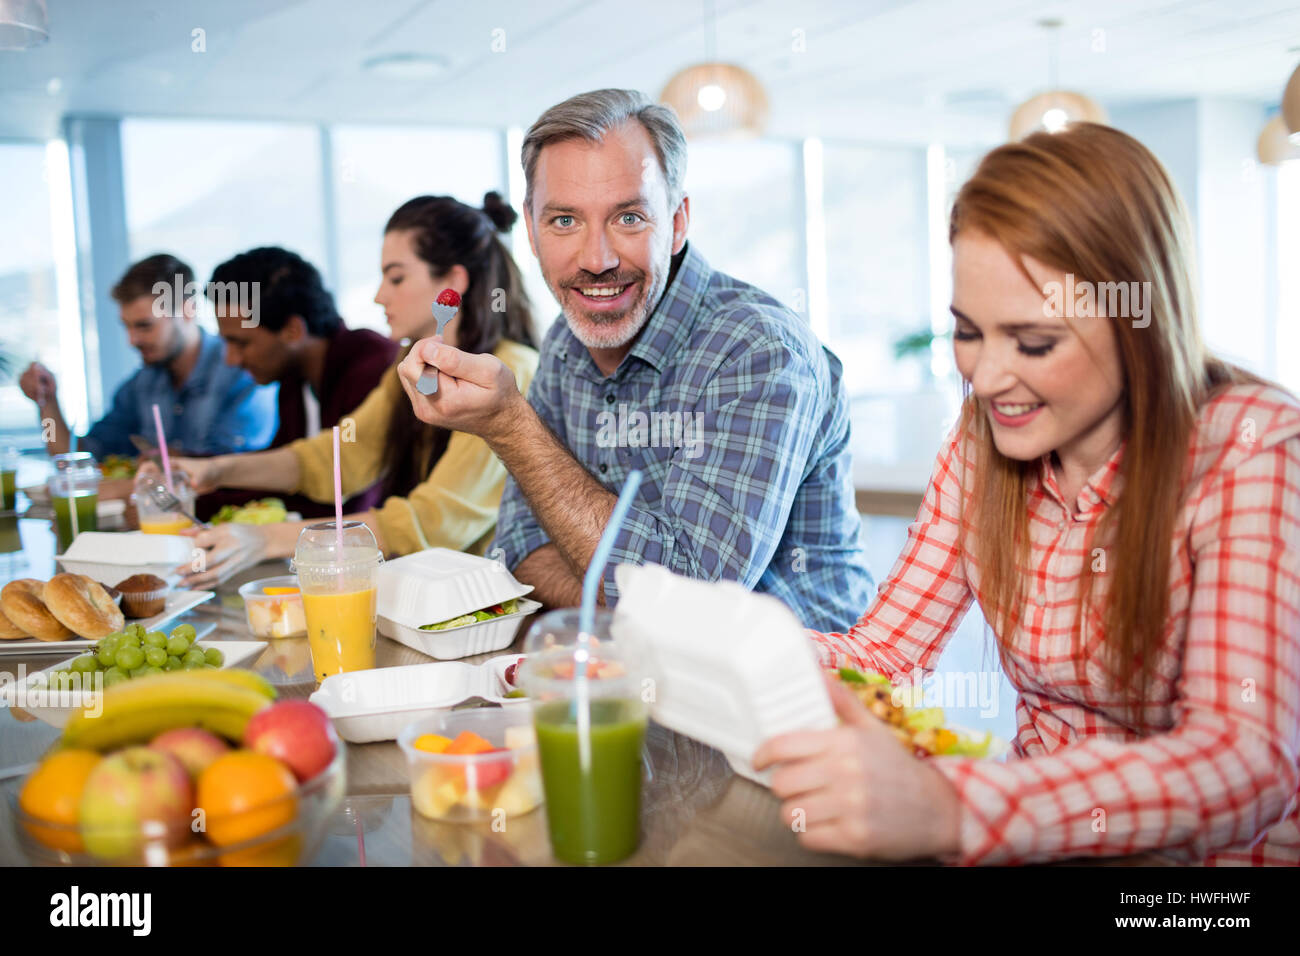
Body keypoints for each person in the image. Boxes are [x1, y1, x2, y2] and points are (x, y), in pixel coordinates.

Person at [752, 123, 1300, 866]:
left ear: (1139, 319)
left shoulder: (1252, 447)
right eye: (969, 333)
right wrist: (735, 650)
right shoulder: (983, 440)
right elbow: (883, 650)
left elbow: (1242, 759)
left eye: (1034, 343)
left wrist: (955, 808)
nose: (984, 379)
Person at [395, 89, 873, 633]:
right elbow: (517, 550)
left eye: (628, 217)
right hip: (641, 677)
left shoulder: (760, 351)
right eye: (565, 222)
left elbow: (689, 603)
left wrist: (512, 428)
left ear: (677, 221)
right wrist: (631, 595)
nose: (596, 261)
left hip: (806, 694)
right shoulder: (565, 342)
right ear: (530, 228)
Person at [158, 193, 539, 588]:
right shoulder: (409, 364)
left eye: (396, 278)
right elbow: (340, 454)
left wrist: (263, 539)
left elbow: (432, 523)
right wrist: (217, 470)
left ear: (453, 284)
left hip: (487, 611)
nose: (379, 296)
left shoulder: (510, 371)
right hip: (426, 597)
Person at [202, 246, 397, 519]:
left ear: (292, 330)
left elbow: (346, 499)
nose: (231, 359)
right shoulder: (295, 376)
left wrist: (196, 497)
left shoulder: (374, 367)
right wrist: (190, 470)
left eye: (241, 343)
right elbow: (275, 466)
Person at [19, 253, 277, 459]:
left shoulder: (245, 373)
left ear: (188, 311)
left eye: (144, 326)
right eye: (126, 326)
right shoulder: (142, 385)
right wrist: (47, 402)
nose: (132, 340)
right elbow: (74, 458)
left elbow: (234, 473)